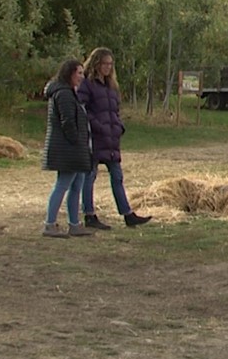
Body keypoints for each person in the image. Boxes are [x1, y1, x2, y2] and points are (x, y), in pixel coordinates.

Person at [77, 47, 152, 229]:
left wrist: (119, 126)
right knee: (90, 176)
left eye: (110, 64)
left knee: (117, 176)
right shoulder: (87, 84)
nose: (108, 68)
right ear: (96, 63)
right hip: (95, 138)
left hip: (111, 138)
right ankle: (89, 215)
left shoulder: (111, 86)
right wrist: (98, 126)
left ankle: (127, 214)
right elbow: (82, 109)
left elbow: (114, 111)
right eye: (105, 64)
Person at [41, 59, 95, 238]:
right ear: (69, 73)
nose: (82, 77)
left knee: (77, 184)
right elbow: (68, 122)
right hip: (68, 149)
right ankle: (50, 224)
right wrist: (76, 142)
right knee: (63, 185)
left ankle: (74, 224)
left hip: (73, 149)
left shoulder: (69, 92)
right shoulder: (63, 94)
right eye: (79, 73)